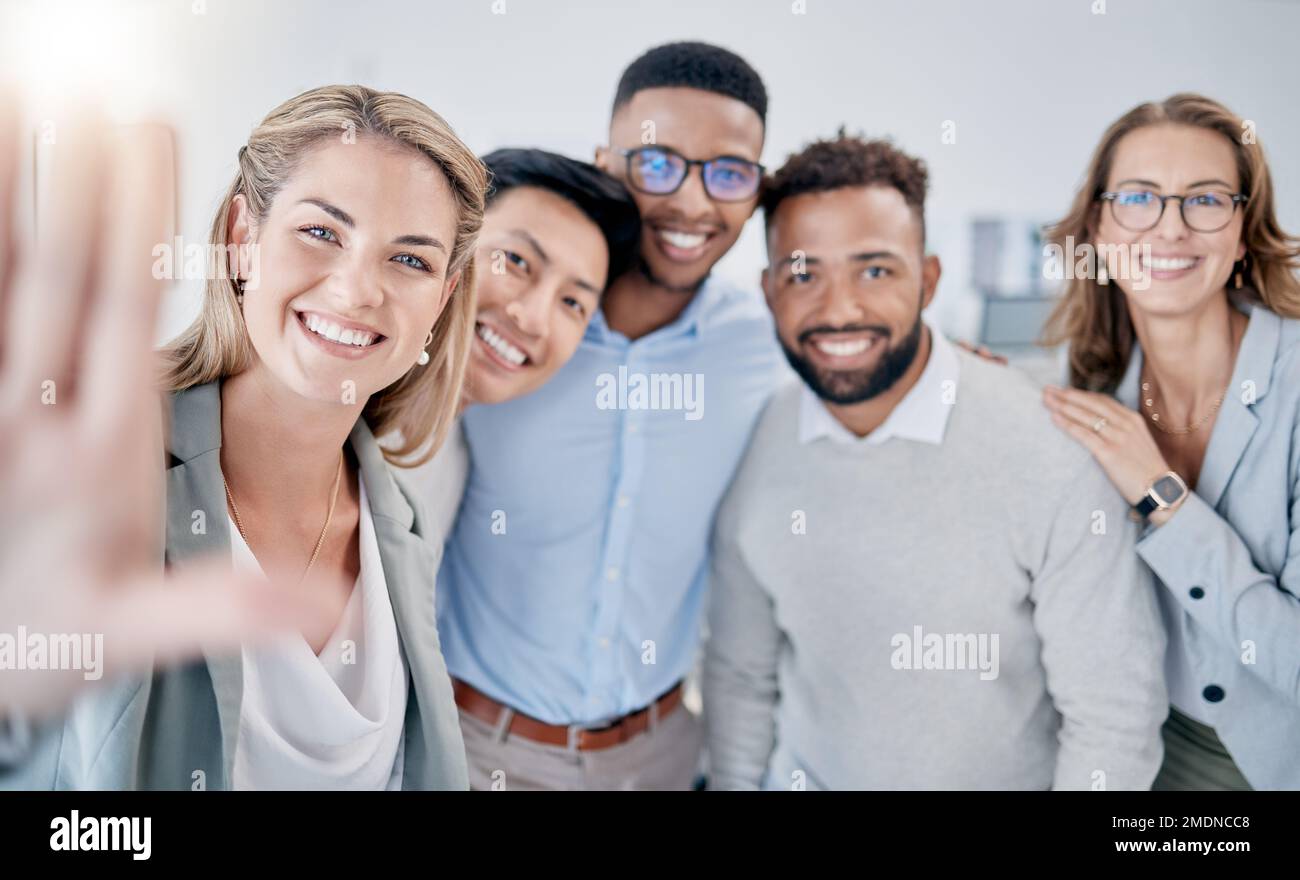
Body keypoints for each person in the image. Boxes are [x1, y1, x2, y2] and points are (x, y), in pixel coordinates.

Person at [2, 84, 486, 790]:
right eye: (322, 232)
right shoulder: (95, 481)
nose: (357, 291)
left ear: (441, 297)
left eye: (409, 260)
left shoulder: (403, 520)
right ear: (242, 236)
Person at [704, 132, 1167, 790]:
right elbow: (739, 677)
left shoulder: (1052, 454)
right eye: (804, 273)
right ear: (769, 289)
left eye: (875, 270)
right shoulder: (760, 440)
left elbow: (1113, 719)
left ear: (928, 280)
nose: (840, 309)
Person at [438, 41, 787, 790]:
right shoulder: (503, 338)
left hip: (659, 757)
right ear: (608, 162)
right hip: (479, 752)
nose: (693, 204)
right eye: (660, 163)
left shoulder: (763, 347)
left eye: (729, 172)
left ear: (755, 190)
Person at [1041, 93, 1300, 791]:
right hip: (1148, 752)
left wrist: (1164, 500)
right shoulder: (1096, 388)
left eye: (1206, 201)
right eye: (1138, 198)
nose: (1169, 228)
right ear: (1098, 225)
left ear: (1243, 231)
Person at [402, 148, 639, 543]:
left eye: (572, 303)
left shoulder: (453, 463)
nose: (533, 319)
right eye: (516, 261)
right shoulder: (334, 416)